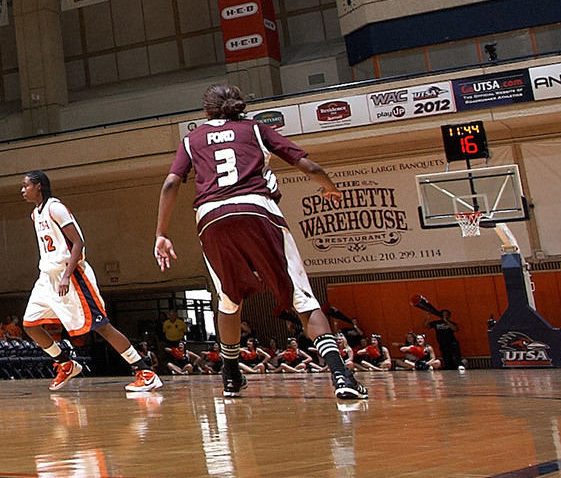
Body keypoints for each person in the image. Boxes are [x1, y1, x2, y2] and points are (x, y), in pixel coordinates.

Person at [155, 83, 368, 401]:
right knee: (302, 297)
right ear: (239, 104)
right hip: (258, 209)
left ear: (206, 109)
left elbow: (171, 183)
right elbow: (310, 166)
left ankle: (230, 376)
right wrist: (329, 187)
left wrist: (161, 233)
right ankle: (341, 376)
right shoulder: (255, 129)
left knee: (228, 301)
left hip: (211, 218)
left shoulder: (191, 139)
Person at [19, 169, 161, 394]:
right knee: (30, 325)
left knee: (101, 326)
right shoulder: (35, 214)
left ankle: (145, 371)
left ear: (38, 186)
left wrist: (66, 275)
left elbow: (78, 242)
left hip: (71, 274)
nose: (22, 190)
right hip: (47, 277)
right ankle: (66, 363)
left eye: (26, 185)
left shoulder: (56, 207)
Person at [426, 306, 464, 372]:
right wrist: (428, 317)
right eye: (443, 315)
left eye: (446, 315)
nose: (445, 316)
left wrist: (446, 321)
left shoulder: (452, 323)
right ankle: (449, 367)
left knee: (456, 353)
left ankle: (459, 364)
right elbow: (426, 326)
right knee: (446, 356)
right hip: (443, 342)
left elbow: (455, 329)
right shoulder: (436, 323)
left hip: (452, 341)